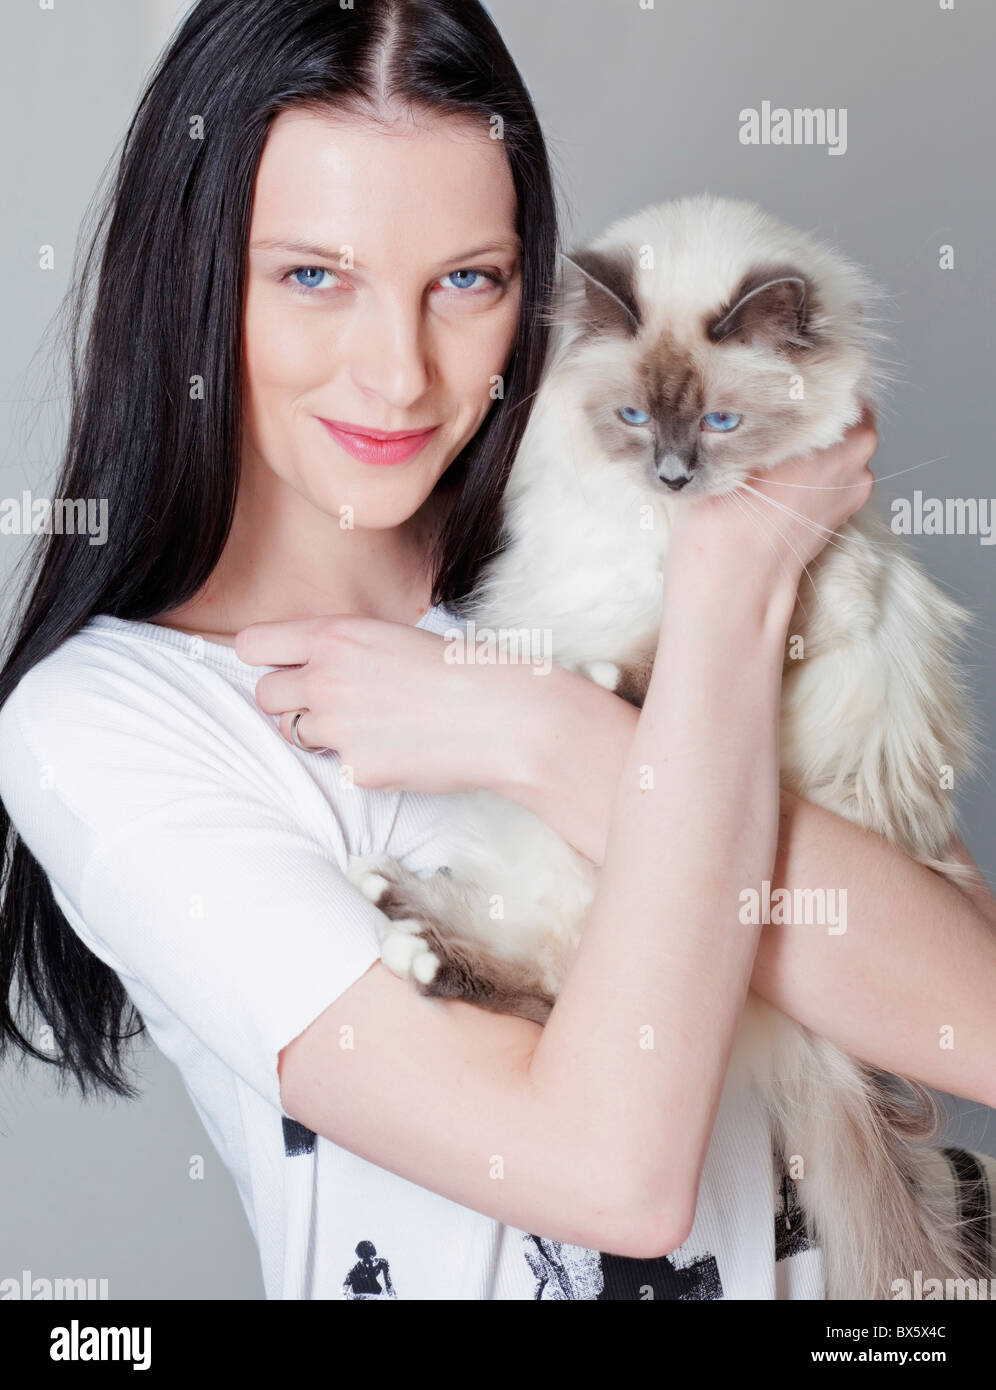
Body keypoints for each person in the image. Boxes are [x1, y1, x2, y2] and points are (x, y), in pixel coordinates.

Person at [0, 0, 993, 1301]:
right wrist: (706, 627)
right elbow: (610, 1173)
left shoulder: (642, 545)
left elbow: (972, 1017)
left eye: (467, 279)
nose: (400, 373)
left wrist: (554, 729)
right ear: (191, 276)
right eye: (314, 275)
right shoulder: (110, 722)